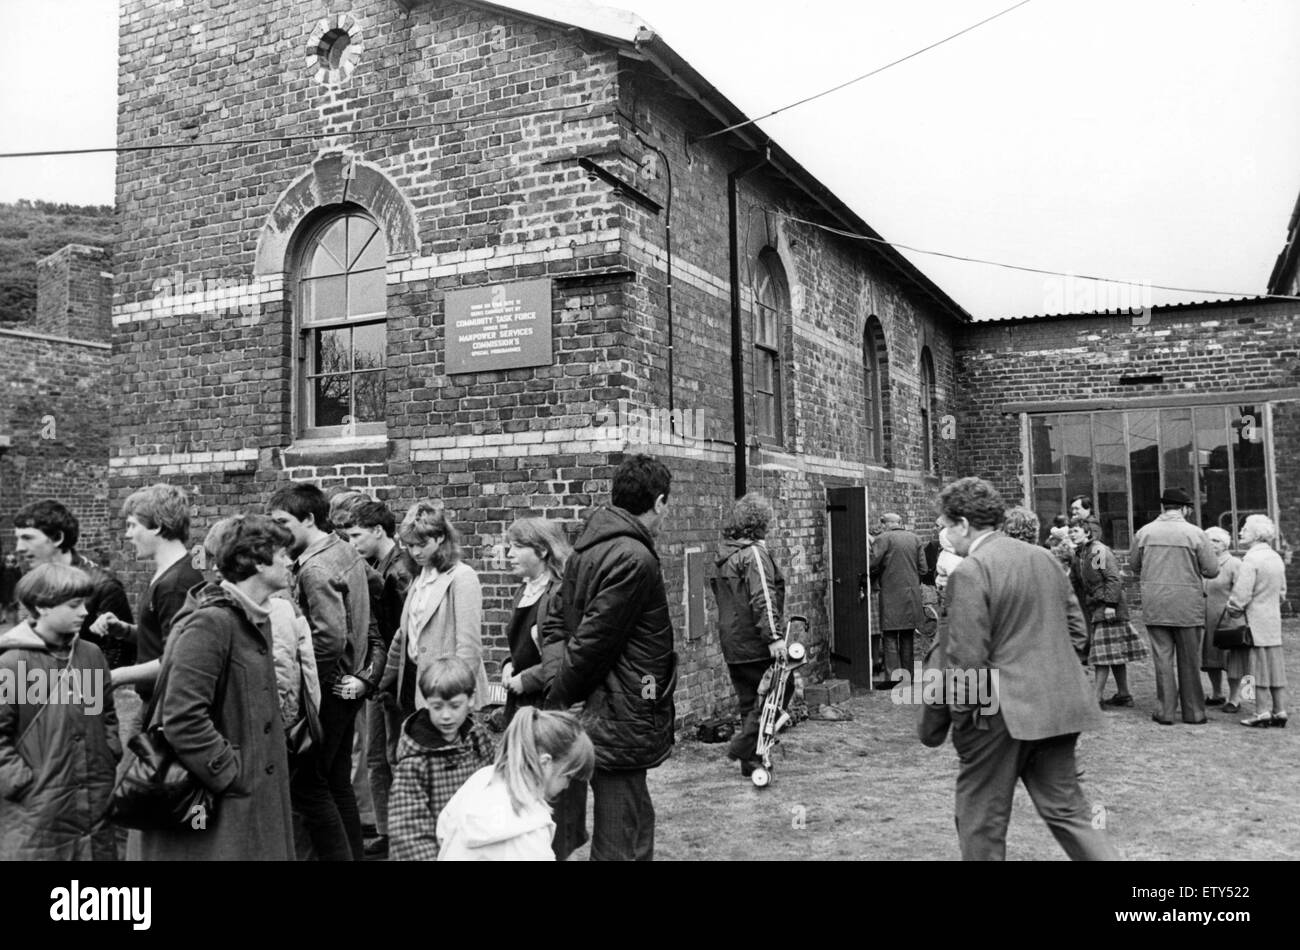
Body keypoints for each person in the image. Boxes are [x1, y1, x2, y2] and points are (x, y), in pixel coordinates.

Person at [937, 476, 1117, 861]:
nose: (946, 533)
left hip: (1000, 716)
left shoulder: (971, 571)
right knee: (1070, 814)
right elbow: (1077, 632)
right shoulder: (1045, 559)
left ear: (964, 525)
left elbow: (967, 659)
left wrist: (964, 719)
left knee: (980, 819)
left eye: (946, 525)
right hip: (1059, 706)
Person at [541, 454, 678, 862]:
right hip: (619, 714)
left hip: (616, 708)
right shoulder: (632, 557)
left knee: (635, 821)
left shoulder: (587, 550)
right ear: (658, 502)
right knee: (621, 839)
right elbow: (591, 643)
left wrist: (556, 682)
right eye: (667, 504)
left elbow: (557, 629)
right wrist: (558, 695)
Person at [139, 515, 296, 860]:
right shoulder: (212, 621)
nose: (290, 561)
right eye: (283, 553)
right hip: (227, 805)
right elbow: (182, 716)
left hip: (253, 797)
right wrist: (230, 773)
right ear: (257, 559)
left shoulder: (254, 616)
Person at [270, 482, 385, 861]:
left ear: (308, 519)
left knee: (313, 786)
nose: (278, 532)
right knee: (336, 783)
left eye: (284, 522)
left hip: (331, 690)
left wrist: (309, 685)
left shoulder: (315, 569)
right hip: (347, 684)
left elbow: (330, 639)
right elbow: (374, 586)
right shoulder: (344, 549)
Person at [0, 564, 120, 860]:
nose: (84, 612)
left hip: (94, 800)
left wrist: (109, 750)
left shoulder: (90, 655)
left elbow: (104, 713)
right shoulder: (12, 665)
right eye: (74, 605)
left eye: (85, 604)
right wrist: (21, 782)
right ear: (41, 607)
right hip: (36, 812)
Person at [500, 517, 587, 860]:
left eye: (516, 547)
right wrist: (508, 666)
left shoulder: (559, 593)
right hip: (520, 708)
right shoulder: (525, 589)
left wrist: (527, 678)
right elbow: (521, 646)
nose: (508, 554)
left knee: (553, 793)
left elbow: (565, 652)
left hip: (549, 706)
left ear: (541, 550)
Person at [340, 498, 416, 859]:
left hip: (390, 679)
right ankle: (386, 831)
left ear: (378, 531)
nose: (352, 542)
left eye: (357, 535)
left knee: (391, 755)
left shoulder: (398, 571)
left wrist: (385, 679)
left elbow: (402, 633)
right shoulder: (375, 564)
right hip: (379, 675)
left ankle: (400, 831)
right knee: (376, 756)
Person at [93, 485, 205, 709]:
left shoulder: (175, 584)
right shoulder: (168, 574)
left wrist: (115, 677)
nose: (128, 534)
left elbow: (178, 659)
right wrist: (123, 630)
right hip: (157, 700)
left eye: (133, 525)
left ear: (157, 526)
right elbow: (164, 640)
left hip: (167, 705)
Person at [436, 709, 594, 861]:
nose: (567, 786)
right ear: (545, 763)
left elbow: (444, 829)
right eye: (568, 777)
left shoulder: (483, 777)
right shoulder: (531, 830)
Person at [381, 504, 489, 721]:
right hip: (413, 681)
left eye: (422, 544)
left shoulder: (461, 576)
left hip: (446, 688)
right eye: (410, 546)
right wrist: (382, 680)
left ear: (440, 538)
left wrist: (457, 697)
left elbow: (468, 646)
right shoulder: (418, 576)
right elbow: (406, 634)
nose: (416, 552)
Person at [388, 656, 495, 860]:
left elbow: (495, 790)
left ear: (471, 699)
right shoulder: (415, 760)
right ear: (426, 702)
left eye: (454, 706)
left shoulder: (479, 740)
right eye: (437, 707)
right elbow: (408, 829)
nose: (446, 715)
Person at [710, 493, 786, 778]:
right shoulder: (753, 554)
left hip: (731, 639)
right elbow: (763, 597)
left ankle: (752, 761)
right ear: (761, 523)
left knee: (749, 702)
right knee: (778, 692)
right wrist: (774, 637)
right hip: (754, 639)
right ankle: (743, 746)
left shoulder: (724, 556)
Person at [1130, 488, 1218, 726]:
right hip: (1188, 605)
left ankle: (1166, 711)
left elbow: (1134, 565)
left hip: (1156, 603)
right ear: (1185, 509)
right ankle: (1194, 713)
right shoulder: (1196, 534)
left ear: (1163, 507)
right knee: (1189, 660)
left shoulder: (1144, 532)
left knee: (1162, 660)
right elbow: (1212, 570)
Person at [13, 499, 134, 669]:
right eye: (18, 538)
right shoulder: (33, 580)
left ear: (57, 538)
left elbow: (118, 656)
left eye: (27, 538)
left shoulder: (103, 587)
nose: (19, 547)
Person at [1072, 520, 1147, 707]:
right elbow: (1075, 581)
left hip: (1107, 608)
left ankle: (1095, 698)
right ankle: (1124, 693)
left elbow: (1111, 578)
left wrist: (1110, 605)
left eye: (1075, 531)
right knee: (1113, 651)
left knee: (1102, 654)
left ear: (1088, 533)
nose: (1071, 534)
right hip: (1097, 606)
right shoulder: (1080, 553)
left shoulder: (1097, 551)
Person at [1229, 515, 1288, 728]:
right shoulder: (1275, 557)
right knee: (1275, 665)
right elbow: (1282, 593)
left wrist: (1233, 609)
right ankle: (1280, 710)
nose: (1241, 532)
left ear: (1255, 533)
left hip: (1252, 621)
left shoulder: (1251, 559)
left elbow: (1241, 594)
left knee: (1255, 667)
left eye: (1245, 528)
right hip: (1272, 619)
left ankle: (1260, 711)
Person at [867, 512, 927, 682]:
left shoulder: (883, 539)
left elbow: (872, 564)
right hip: (911, 594)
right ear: (900, 522)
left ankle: (893, 677)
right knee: (907, 635)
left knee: (890, 635)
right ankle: (908, 675)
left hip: (890, 594)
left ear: (885, 523)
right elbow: (923, 569)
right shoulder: (915, 538)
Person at [1201, 527, 1241, 709]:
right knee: (1211, 658)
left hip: (1229, 620)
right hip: (1207, 619)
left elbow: (1242, 592)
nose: (1212, 544)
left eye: (1216, 541)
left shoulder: (1234, 564)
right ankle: (1217, 693)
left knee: (1232, 660)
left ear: (1225, 544)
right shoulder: (1203, 564)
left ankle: (1236, 698)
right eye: (1208, 540)